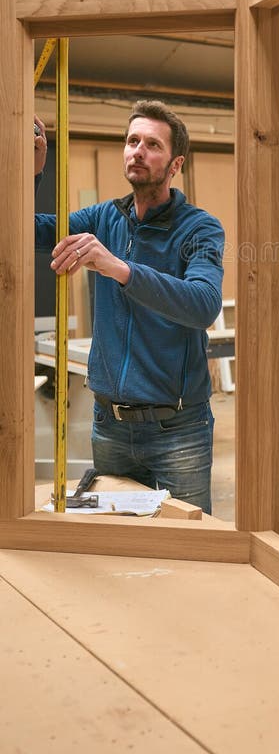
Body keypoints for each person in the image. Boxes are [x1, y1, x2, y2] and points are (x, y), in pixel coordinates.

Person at [34, 100, 224, 513]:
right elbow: (29, 229)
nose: (137, 150)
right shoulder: (105, 217)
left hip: (179, 429)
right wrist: (31, 173)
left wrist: (121, 269)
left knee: (192, 547)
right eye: (132, 140)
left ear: (175, 165)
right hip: (111, 426)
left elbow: (204, 304)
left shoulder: (198, 227)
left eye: (152, 144)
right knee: (122, 549)